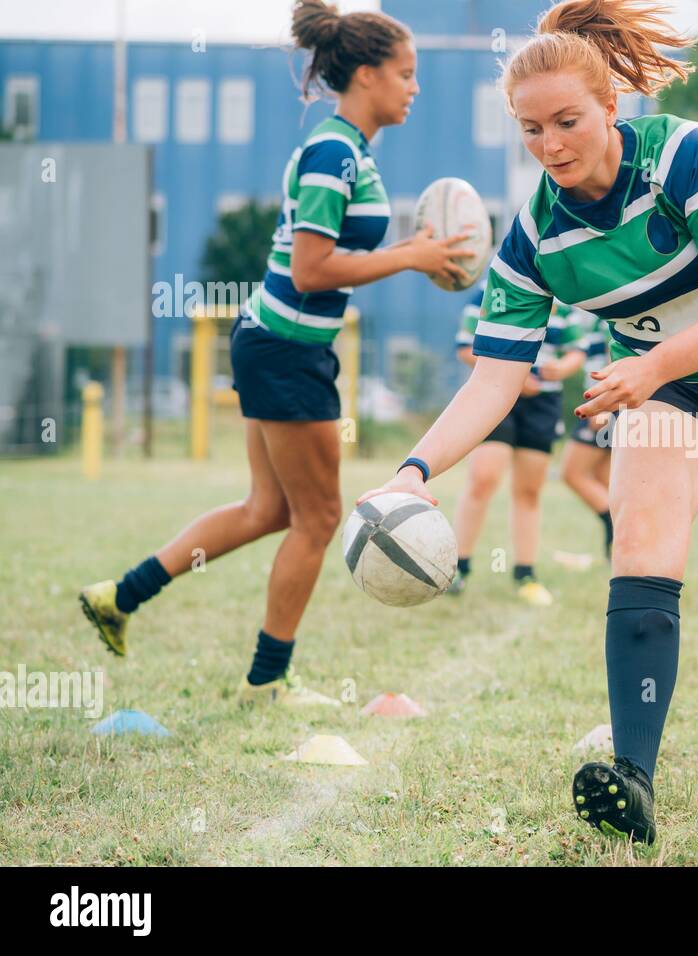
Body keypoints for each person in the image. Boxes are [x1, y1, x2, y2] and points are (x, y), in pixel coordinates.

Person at [357, 0, 698, 843]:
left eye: (567, 121)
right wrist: (412, 472)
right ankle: (634, 776)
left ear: (611, 108)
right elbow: (494, 381)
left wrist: (654, 361)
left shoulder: (688, 158)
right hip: (665, 395)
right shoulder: (534, 239)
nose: (551, 144)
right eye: (530, 129)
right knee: (643, 532)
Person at [77, 0, 472, 707]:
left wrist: (416, 258)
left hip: (277, 344)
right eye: (406, 75)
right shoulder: (333, 152)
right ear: (368, 73)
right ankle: (267, 681)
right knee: (318, 519)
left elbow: (325, 260)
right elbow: (311, 270)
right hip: (287, 350)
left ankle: (119, 595)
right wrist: (408, 257)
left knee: (268, 510)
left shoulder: (349, 149)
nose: (416, 89)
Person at [448, 285, 586, 605]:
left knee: (529, 490)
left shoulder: (564, 302)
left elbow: (576, 351)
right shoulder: (489, 291)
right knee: (483, 479)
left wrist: (562, 368)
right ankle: (458, 568)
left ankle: (525, 573)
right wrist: (516, 379)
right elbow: (465, 347)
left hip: (543, 403)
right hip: (494, 395)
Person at [560, 305, 615, 559]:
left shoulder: (609, 310)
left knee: (573, 473)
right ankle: (620, 542)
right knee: (606, 479)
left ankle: (614, 523)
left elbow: (616, 356)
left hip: (605, 404)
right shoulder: (590, 312)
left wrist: (605, 403)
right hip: (606, 402)